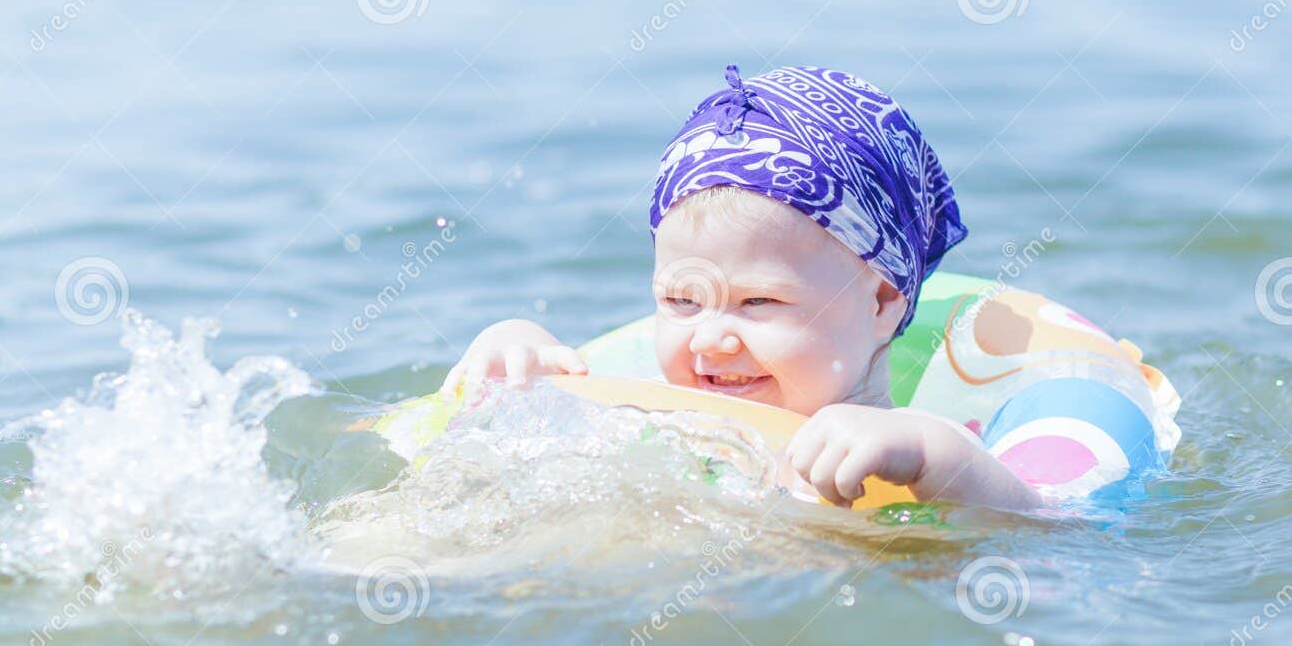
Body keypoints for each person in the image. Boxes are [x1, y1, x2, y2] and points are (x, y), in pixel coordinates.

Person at [443, 64, 1039, 511]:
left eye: (759, 301)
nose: (711, 340)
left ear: (882, 301)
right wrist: (518, 350)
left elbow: (1039, 525)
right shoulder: (661, 421)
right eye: (681, 300)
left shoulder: (923, 455)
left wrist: (935, 455)